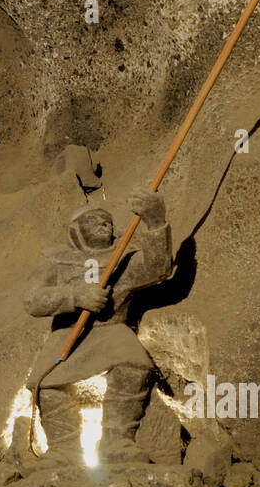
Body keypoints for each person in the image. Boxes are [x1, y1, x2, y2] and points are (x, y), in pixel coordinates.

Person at [23, 188, 173, 466]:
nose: (105, 224)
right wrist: (75, 296)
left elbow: (158, 268)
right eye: (95, 221)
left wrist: (155, 221)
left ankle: (117, 440)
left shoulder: (123, 257)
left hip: (112, 329)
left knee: (133, 364)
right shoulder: (56, 259)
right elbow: (32, 300)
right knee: (47, 382)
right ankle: (65, 448)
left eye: (108, 221)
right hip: (69, 333)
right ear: (76, 231)